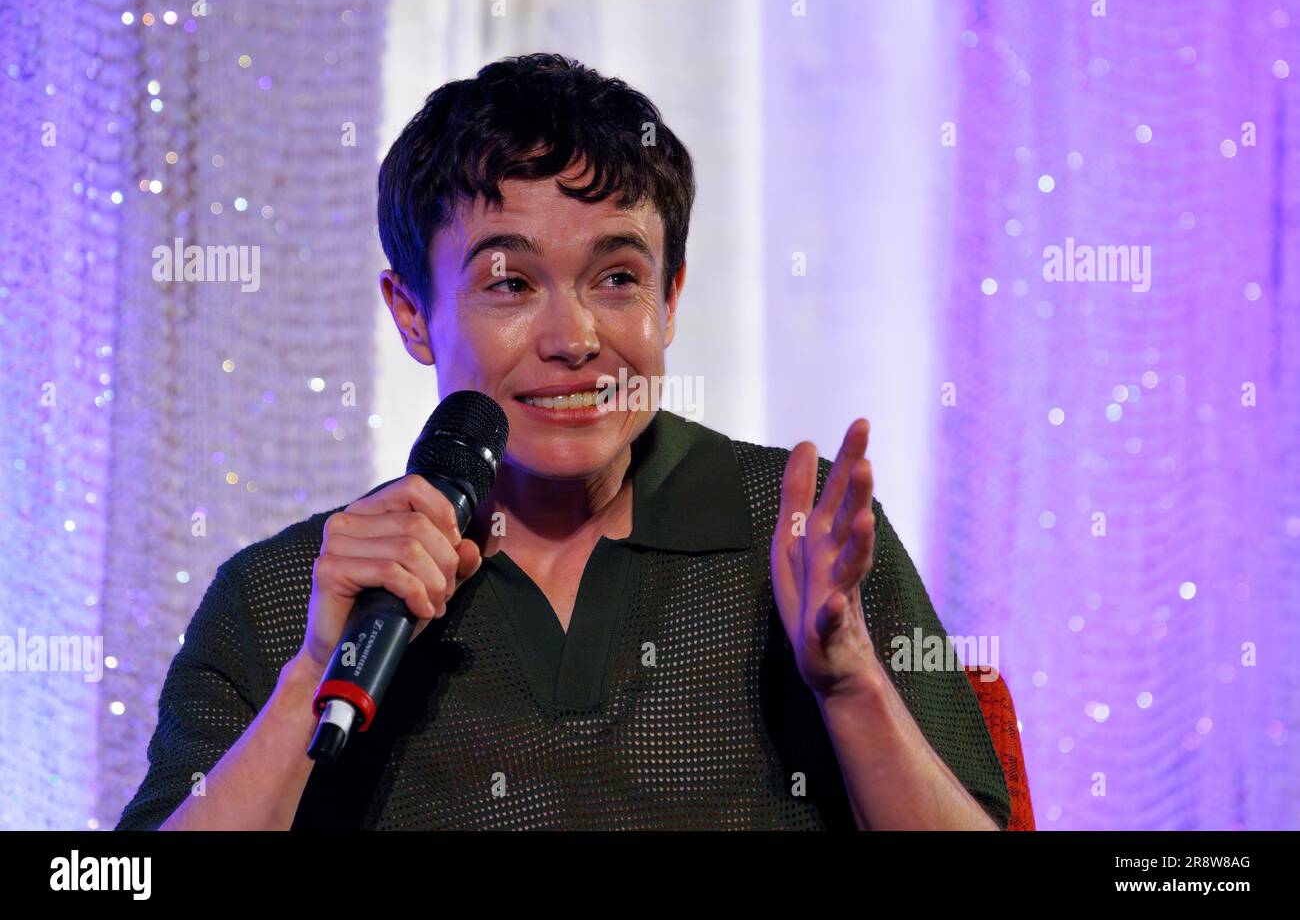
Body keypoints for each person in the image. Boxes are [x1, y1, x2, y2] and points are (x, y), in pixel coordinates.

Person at [116, 53, 1011, 831]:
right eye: (509, 284)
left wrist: (847, 681)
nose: (573, 336)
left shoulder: (803, 536)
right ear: (411, 314)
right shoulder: (288, 595)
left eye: (617, 277)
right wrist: (319, 665)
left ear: (671, 298)